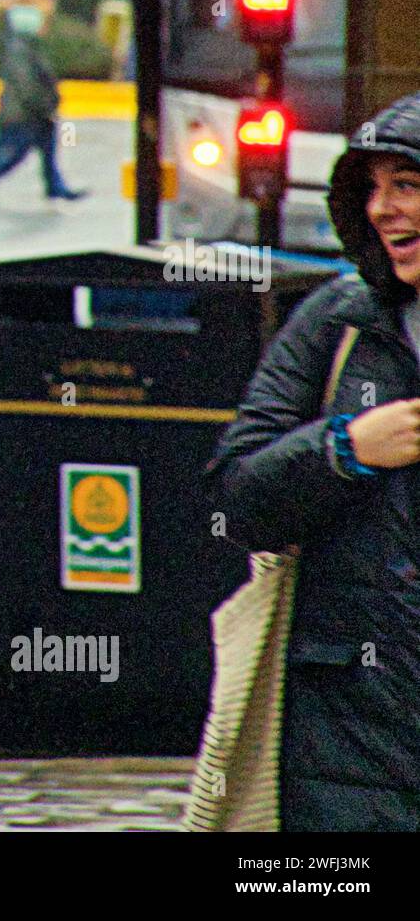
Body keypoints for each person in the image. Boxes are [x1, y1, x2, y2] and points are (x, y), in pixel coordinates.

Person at [206, 91, 420, 831]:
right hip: (347, 738)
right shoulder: (338, 321)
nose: (384, 209)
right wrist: (345, 448)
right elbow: (236, 500)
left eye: (408, 185)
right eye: (372, 188)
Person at [0, 5, 87, 210]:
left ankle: (55, 188)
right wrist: (44, 106)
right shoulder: (20, 51)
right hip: (23, 115)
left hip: (34, 114)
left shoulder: (28, 47)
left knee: (48, 151)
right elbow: (27, 85)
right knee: (10, 153)